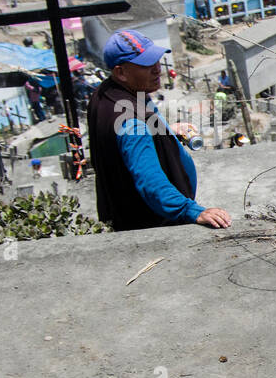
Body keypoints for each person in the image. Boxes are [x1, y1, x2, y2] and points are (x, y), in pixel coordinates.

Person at [87, 30, 231, 232]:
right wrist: (191, 211)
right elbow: (150, 183)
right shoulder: (130, 122)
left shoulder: (107, 93)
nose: (157, 69)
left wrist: (168, 130)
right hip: (153, 222)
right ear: (121, 72)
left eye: (156, 61)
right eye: (146, 65)